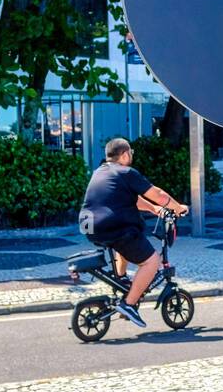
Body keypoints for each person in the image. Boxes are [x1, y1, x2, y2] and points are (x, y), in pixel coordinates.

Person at [79, 137, 188, 327]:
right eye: (130, 153)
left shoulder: (101, 172)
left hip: (90, 226)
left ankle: (121, 279)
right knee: (151, 261)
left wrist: (154, 210)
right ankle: (128, 304)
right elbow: (159, 195)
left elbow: (133, 199)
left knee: (125, 242)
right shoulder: (126, 172)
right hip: (113, 226)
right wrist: (178, 207)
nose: (131, 156)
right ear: (124, 154)